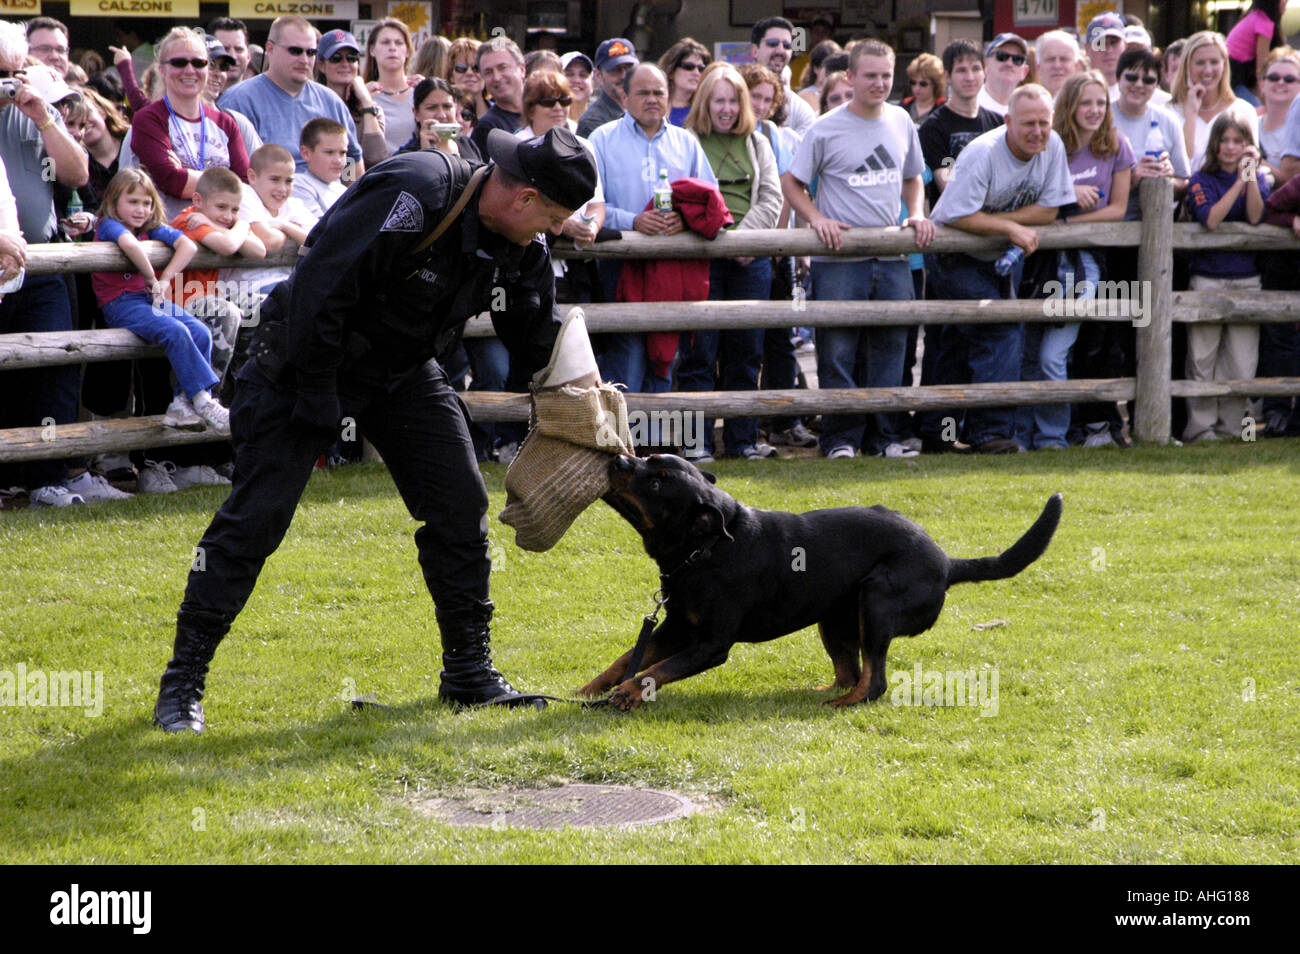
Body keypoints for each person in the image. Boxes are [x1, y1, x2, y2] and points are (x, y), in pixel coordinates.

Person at [151, 127, 599, 732]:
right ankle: (182, 685)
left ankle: (469, 673)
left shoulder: (523, 249)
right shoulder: (417, 191)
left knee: (459, 504)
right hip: (302, 362)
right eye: (550, 217)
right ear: (523, 200)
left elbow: (532, 338)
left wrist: (581, 410)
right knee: (257, 517)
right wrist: (316, 392)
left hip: (402, 370)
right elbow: (319, 285)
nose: (550, 231)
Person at [781, 40, 934, 460]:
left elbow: (913, 177)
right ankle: (840, 438)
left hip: (892, 256)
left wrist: (916, 212)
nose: (880, 83)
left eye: (886, 75)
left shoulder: (902, 121)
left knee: (892, 349)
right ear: (850, 77)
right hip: (838, 259)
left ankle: (885, 438)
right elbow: (792, 182)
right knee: (837, 351)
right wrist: (817, 219)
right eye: (870, 75)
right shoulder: (825, 127)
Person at [924, 85, 1076, 454]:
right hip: (953, 257)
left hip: (999, 258)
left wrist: (996, 220)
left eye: (1043, 122)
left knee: (959, 343)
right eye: (1028, 123)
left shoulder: (1051, 145)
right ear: (1008, 121)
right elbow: (953, 213)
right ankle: (989, 435)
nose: (1037, 131)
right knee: (999, 329)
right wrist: (1009, 228)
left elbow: (1049, 210)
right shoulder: (982, 153)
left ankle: (938, 437)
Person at [0, 19, 97, 507]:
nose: (10, 82)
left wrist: (43, 117)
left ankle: (48, 477)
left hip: (41, 263)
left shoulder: (34, 108)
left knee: (55, 367)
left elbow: (77, 172)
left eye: (16, 71)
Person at [1015, 71, 1134, 451]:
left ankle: (1053, 436)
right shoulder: (1049, 145)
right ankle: (1031, 434)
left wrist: (1066, 220)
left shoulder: (1117, 146)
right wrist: (1069, 196)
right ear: (1069, 105)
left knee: (1054, 353)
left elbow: (1117, 210)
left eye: (1101, 102)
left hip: (1086, 264)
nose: (1095, 110)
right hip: (1038, 261)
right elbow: (1029, 199)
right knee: (1030, 351)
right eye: (1086, 102)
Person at [586, 63, 718, 392]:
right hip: (619, 267)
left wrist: (684, 220)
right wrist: (633, 221)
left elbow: (710, 201)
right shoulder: (601, 139)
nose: (652, 99)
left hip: (672, 269)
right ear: (624, 96)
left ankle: (657, 443)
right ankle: (621, 442)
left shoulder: (686, 143)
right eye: (642, 92)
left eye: (659, 92)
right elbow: (590, 204)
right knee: (626, 358)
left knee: (665, 357)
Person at [677, 63, 782, 461]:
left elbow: (771, 197)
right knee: (699, 354)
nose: (726, 109)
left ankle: (743, 441)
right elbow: (679, 195)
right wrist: (717, 239)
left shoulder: (758, 141)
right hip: (701, 257)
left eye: (733, 101)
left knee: (746, 351)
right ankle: (696, 442)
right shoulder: (686, 140)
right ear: (705, 101)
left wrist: (742, 242)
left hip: (749, 259)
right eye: (718, 100)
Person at [90, 168, 228, 437]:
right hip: (121, 303)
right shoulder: (108, 225)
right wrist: (151, 276)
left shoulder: (150, 228)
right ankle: (203, 400)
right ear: (113, 201)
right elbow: (129, 245)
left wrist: (165, 280)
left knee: (200, 331)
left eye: (147, 203)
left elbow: (188, 246)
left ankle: (181, 403)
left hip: (147, 299)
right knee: (175, 331)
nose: (141, 209)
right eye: (133, 202)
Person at [1182, 114, 1269, 442]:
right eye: (1225, 141)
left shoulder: (1256, 178)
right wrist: (1236, 182)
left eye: (1238, 141)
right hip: (1208, 278)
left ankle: (1236, 430)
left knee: (1242, 363)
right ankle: (1200, 429)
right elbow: (1211, 220)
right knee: (1202, 358)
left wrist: (1249, 178)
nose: (1231, 148)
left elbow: (1256, 215)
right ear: (1215, 144)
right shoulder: (1200, 179)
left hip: (1247, 280)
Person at [127, 27, 250, 222]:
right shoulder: (149, 119)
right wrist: (225, 181)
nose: (190, 70)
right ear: (162, 69)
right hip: (170, 238)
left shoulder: (225, 123)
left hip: (223, 234)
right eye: (179, 62)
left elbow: (244, 187)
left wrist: (189, 174)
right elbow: (173, 182)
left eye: (198, 63)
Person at [218, 15, 363, 179]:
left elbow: (352, 160)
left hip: (329, 201)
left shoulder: (331, 101)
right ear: (270, 49)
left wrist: (346, 198)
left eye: (311, 52)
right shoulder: (238, 100)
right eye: (295, 51)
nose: (304, 60)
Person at [1173, 31, 1260, 169]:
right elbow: (1183, 169)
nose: (1208, 70)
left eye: (1214, 62)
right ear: (1187, 66)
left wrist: (1245, 185)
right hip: (1186, 190)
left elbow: (1250, 167)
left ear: (1224, 65)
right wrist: (1190, 114)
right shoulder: (1169, 111)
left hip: (1235, 189)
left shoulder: (1244, 110)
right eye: (1200, 63)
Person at [316, 29, 387, 167]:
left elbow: (376, 157)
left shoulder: (372, 109)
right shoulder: (311, 103)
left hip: (361, 185)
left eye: (352, 58)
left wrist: (366, 102)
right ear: (322, 65)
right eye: (336, 58)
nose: (345, 64)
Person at [749, 16, 817, 137]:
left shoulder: (801, 111)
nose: (780, 51)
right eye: (772, 44)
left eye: (787, 46)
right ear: (754, 50)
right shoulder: (735, 94)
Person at [365, 18, 418, 157]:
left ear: (407, 51)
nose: (392, 48)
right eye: (385, 42)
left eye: (399, 43)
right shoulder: (365, 96)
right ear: (372, 50)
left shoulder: (420, 93)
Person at [400, 76, 481, 161]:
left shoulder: (468, 145)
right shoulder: (405, 158)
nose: (442, 115)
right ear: (416, 114)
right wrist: (427, 154)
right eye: (432, 108)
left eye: (447, 106)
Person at [471, 36, 527, 155]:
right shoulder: (487, 128)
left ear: (522, 69)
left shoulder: (543, 111)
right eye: (488, 72)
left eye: (503, 67)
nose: (496, 77)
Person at [1226, 0, 1288, 105]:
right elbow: (1261, 68)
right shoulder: (1264, 23)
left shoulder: (1256, 15)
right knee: (1257, 108)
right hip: (1232, 77)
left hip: (1238, 74)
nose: (1285, 2)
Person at [576, 37, 637, 137]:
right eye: (616, 70)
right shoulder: (592, 121)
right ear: (598, 76)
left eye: (629, 69)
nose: (624, 76)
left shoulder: (642, 110)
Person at [1257, 47, 1300, 181]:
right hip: (1253, 199)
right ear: (1262, 84)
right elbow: (1245, 179)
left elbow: (1292, 182)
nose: (1280, 82)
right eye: (1273, 77)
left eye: (1289, 79)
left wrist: (1256, 163)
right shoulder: (1247, 124)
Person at [292, 118, 349, 217]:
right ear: (306, 153)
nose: (338, 160)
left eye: (343, 153)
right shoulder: (299, 184)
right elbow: (318, 229)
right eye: (329, 152)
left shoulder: (343, 191)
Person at [658, 37, 710, 126]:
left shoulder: (706, 109)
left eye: (701, 68)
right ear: (671, 72)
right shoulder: (656, 106)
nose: (696, 73)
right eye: (688, 67)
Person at [980, 33, 1029, 116]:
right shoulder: (970, 104)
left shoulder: (1027, 111)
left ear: (1025, 72)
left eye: (1018, 59)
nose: (1009, 63)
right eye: (1002, 56)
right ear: (986, 64)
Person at [1084, 12, 1127, 93]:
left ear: (1125, 46)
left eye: (1114, 42)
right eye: (1100, 44)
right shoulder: (1076, 94)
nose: (1108, 50)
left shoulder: (1140, 93)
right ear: (1087, 49)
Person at [448, 37, 489, 119]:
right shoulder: (443, 114)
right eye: (461, 68)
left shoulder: (502, 111)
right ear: (451, 75)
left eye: (476, 68)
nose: (469, 73)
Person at [796, 39, 842, 111]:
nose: (835, 72)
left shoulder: (844, 91)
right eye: (830, 67)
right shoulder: (806, 95)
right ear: (816, 68)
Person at [208, 17, 252, 91]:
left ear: (248, 56)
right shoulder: (193, 100)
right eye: (224, 49)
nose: (233, 56)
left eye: (238, 49)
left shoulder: (261, 99)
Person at [1034, 30, 1080, 99]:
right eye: (1050, 59)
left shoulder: (1090, 105)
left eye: (1064, 59)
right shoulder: (1027, 106)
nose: (1057, 65)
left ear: (1076, 66)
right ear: (1038, 67)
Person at [903, 53, 945, 125]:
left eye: (923, 84)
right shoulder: (903, 106)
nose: (917, 88)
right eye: (913, 82)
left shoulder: (944, 109)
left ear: (935, 84)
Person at [561, 51, 594, 126]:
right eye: (569, 74)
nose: (577, 80)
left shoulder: (601, 123)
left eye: (583, 75)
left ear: (592, 85)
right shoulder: (549, 123)